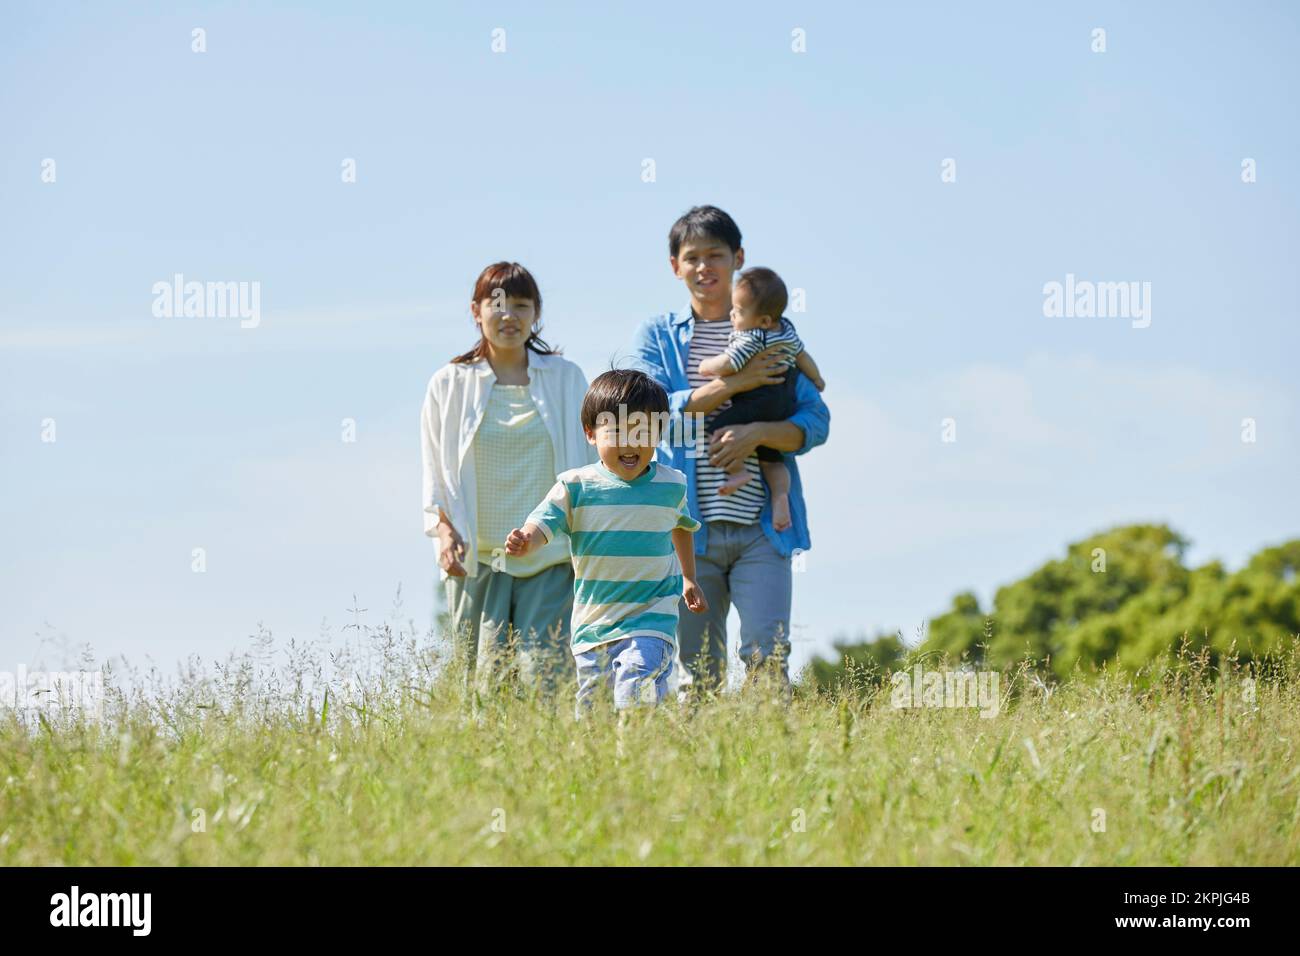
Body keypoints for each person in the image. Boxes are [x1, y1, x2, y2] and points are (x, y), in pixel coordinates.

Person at [627, 206, 830, 692]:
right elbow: (644, 418)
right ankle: (702, 768)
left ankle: (773, 766)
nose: (704, 267)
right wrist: (735, 383)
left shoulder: (772, 328)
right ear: (674, 266)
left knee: (767, 659)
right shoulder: (657, 336)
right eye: (691, 257)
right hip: (686, 529)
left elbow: (815, 422)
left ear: (738, 258)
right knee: (699, 673)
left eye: (715, 255)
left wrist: (756, 433)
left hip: (763, 525)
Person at [420, 261, 594, 697]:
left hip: (549, 555)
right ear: (475, 310)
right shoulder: (449, 383)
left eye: (521, 305)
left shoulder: (567, 379)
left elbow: (591, 462)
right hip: (477, 555)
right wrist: (442, 532)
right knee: (482, 689)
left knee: (548, 682)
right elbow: (435, 468)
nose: (509, 316)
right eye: (496, 304)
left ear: (537, 313)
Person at [503, 369, 707, 713]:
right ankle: (600, 763)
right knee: (594, 709)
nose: (631, 442)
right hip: (593, 622)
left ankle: (637, 754)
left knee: (638, 687)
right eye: (617, 431)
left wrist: (688, 577)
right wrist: (526, 540)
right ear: (590, 434)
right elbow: (543, 523)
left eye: (643, 430)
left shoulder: (672, 484)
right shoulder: (576, 486)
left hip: (651, 614)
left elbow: (682, 526)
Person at [696, 266, 825, 532]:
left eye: (739, 311)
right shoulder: (787, 331)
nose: (733, 315)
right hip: (782, 408)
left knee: (716, 428)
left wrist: (707, 366)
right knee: (771, 459)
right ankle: (780, 496)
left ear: (764, 320)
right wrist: (818, 379)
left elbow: (729, 364)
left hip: (755, 403)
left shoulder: (752, 337)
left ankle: (738, 470)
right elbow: (803, 357)